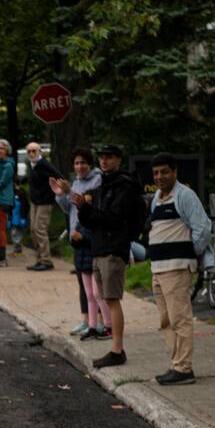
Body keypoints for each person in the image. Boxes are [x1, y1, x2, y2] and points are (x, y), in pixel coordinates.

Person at [73, 145, 141, 369]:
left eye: (108, 158)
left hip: (113, 248)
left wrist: (88, 208)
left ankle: (117, 350)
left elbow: (113, 218)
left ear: (119, 160)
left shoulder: (124, 185)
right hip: (99, 247)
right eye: (101, 158)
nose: (104, 161)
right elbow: (92, 221)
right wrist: (82, 208)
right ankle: (115, 347)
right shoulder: (104, 184)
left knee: (112, 299)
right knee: (104, 297)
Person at [148, 153, 211, 385]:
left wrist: (189, 252)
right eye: (155, 173)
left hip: (176, 269)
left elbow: (203, 228)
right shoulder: (157, 198)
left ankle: (184, 368)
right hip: (158, 269)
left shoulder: (185, 195)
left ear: (175, 172)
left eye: (164, 171)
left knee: (179, 318)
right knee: (166, 320)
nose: (159, 177)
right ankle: (176, 365)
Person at [52, 148, 106, 338]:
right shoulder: (75, 182)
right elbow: (69, 208)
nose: (79, 166)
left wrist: (70, 192)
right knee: (84, 285)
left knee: (97, 285)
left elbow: (86, 204)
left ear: (90, 164)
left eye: (83, 162)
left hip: (90, 235)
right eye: (76, 163)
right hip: (77, 236)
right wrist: (60, 194)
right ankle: (87, 320)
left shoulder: (97, 181)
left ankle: (102, 322)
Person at [24, 142, 62, 271]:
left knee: (40, 229)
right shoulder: (32, 165)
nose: (31, 153)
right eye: (29, 151)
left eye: (34, 151)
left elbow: (59, 178)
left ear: (40, 151)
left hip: (45, 202)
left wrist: (51, 193)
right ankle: (39, 259)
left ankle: (46, 261)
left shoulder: (44, 164)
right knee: (33, 230)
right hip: (34, 201)